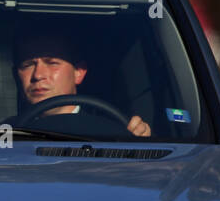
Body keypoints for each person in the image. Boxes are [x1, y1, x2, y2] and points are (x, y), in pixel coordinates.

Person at [13, 29, 152, 137]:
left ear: (79, 72)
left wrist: (141, 140)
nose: (38, 75)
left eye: (52, 63)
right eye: (28, 65)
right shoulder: (1, 135)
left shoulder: (116, 132)